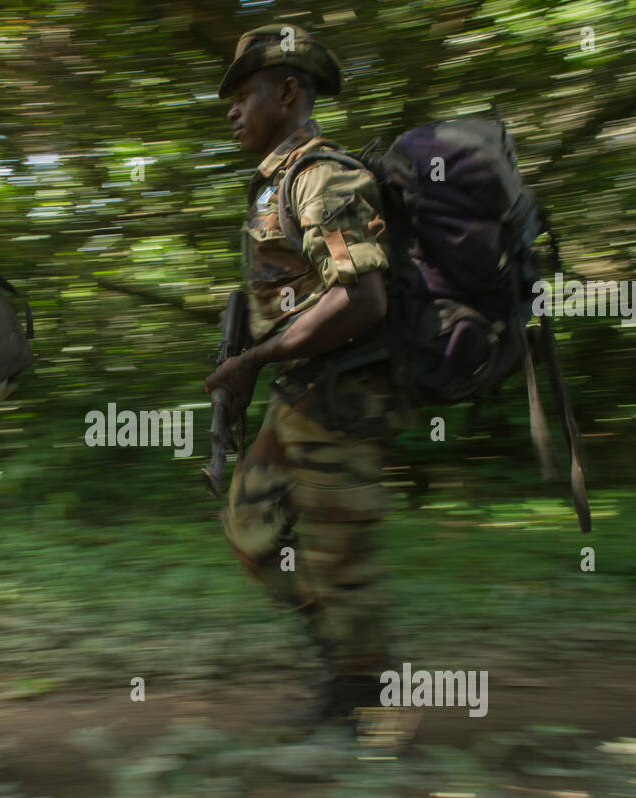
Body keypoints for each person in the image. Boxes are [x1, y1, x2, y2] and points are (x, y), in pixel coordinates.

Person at [206, 25, 409, 732]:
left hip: (344, 398)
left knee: (340, 557)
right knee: (249, 526)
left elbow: (363, 295)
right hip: (300, 395)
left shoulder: (325, 174)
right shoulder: (276, 184)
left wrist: (255, 361)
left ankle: (368, 712)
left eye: (244, 95)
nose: (231, 110)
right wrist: (251, 365)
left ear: (288, 93)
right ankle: (350, 669)